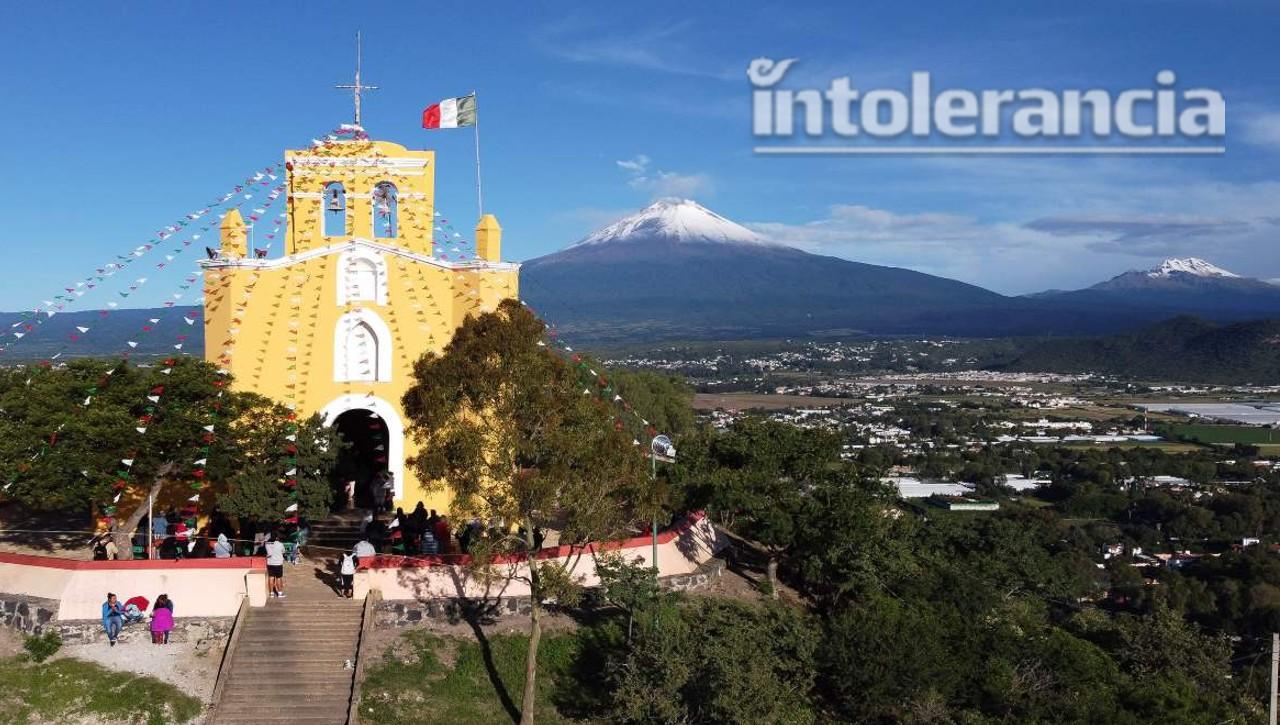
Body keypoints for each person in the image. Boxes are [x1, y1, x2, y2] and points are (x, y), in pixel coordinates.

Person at [264, 530, 286, 598]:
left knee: (271, 578)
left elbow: (269, 554)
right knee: (278, 578)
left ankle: (271, 593)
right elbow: (283, 552)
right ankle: (279, 593)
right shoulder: (280, 544)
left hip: (270, 563)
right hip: (278, 564)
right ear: (277, 537)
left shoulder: (267, 544)